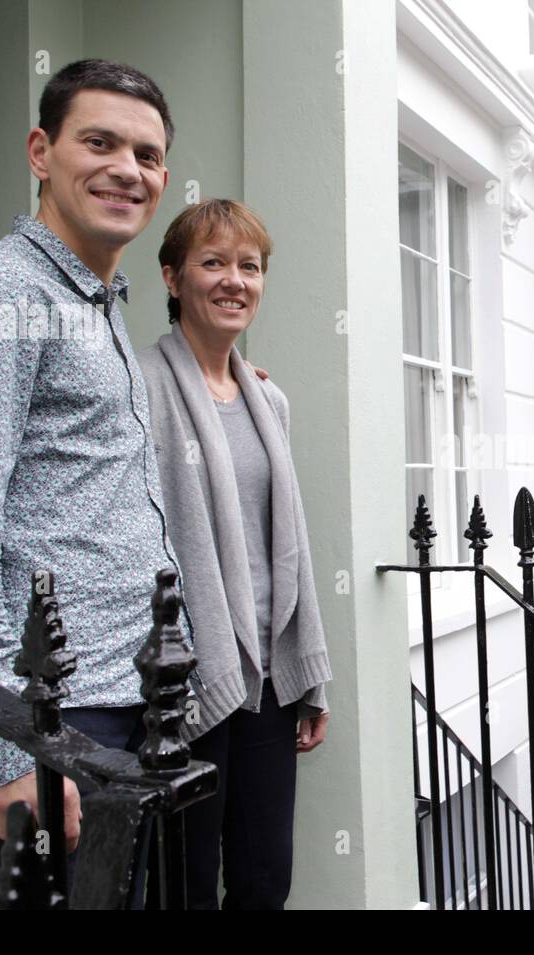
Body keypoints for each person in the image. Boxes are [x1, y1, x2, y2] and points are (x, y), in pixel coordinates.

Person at [0, 59, 177, 908]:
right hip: (53, 713)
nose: (127, 169)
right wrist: (12, 752)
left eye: (148, 154)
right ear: (39, 151)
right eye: (99, 142)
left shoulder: (97, 303)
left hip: (126, 699)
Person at [135, 199, 332, 909]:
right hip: (190, 672)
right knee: (184, 882)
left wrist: (308, 677)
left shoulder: (268, 400)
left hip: (269, 682)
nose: (233, 280)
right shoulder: (140, 387)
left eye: (248, 266)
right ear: (171, 277)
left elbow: (291, 541)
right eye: (212, 262)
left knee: (262, 878)